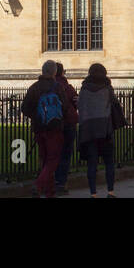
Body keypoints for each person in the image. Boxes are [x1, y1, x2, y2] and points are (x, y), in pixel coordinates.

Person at [20, 60, 73, 198]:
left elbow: (24, 108)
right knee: (53, 160)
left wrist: (37, 116)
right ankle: (38, 185)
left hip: (39, 129)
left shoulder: (34, 87)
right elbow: (65, 107)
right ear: (55, 72)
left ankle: (50, 193)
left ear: (43, 71)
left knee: (44, 159)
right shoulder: (57, 87)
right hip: (54, 129)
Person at [77, 63, 123, 197]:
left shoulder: (84, 89)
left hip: (89, 130)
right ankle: (111, 191)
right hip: (105, 129)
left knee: (92, 163)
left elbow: (80, 106)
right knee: (109, 162)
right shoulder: (107, 88)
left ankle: (93, 193)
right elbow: (115, 104)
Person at [53, 61, 81, 194]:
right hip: (68, 124)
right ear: (62, 72)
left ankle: (49, 181)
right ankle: (60, 184)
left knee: (52, 154)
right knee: (65, 154)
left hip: (52, 124)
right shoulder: (67, 86)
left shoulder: (47, 86)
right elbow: (76, 102)